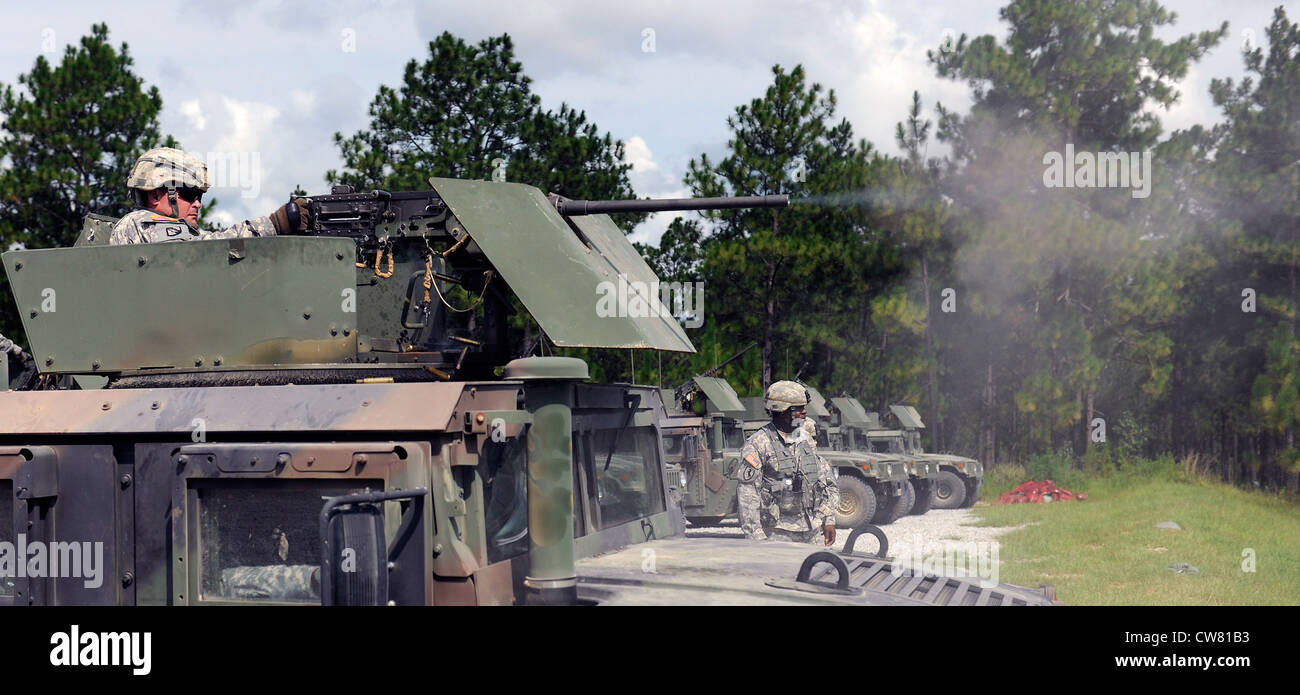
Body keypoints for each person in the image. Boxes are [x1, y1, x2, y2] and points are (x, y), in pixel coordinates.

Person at [108, 148, 310, 244]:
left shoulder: (172, 233)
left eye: (200, 197)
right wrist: (275, 223)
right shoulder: (141, 224)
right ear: (155, 195)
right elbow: (206, 252)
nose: (197, 204)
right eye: (188, 194)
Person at [736, 380, 839, 544]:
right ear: (781, 410)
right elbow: (748, 496)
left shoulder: (805, 438)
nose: (804, 412)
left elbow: (823, 479)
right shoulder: (758, 443)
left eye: (804, 407)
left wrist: (829, 519)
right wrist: (755, 539)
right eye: (798, 409)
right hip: (777, 534)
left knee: (819, 570)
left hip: (813, 530)